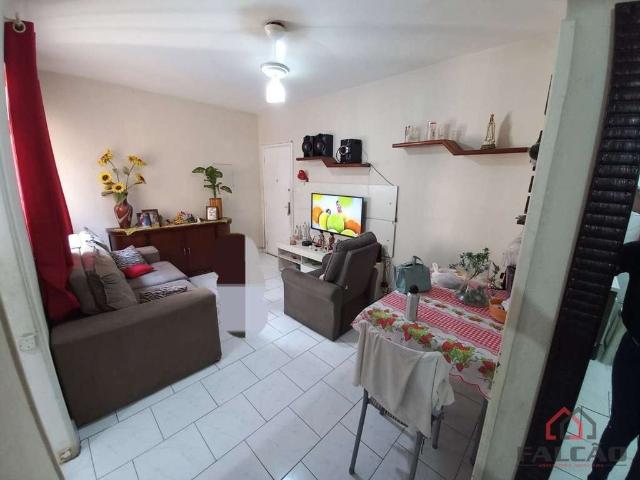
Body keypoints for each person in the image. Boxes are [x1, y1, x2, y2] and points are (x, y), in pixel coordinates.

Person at [588, 239, 640, 479]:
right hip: (635, 356)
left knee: (620, 428)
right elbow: (597, 263)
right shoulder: (638, 252)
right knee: (621, 427)